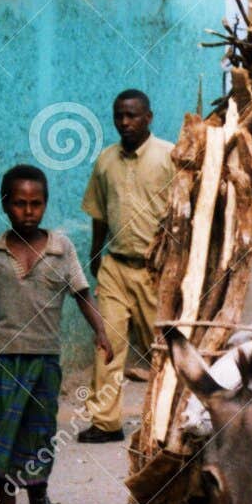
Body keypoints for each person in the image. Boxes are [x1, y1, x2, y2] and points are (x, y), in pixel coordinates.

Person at [0, 165, 113, 504]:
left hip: (45, 363)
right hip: (5, 363)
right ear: (5, 205)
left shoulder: (62, 249)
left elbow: (82, 294)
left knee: (40, 440)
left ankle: (40, 496)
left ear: (45, 204)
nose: (29, 211)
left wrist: (100, 331)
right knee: (4, 443)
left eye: (36, 203)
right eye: (20, 204)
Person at [78, 89, 174, 443]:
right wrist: (94, 252)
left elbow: (184, 213)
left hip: (156, 269)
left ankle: (167, 421)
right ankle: (106, 423)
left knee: (161, 349)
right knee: (108, 343)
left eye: (132, 115)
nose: (124, 122)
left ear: (148, 117)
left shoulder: (170, 156)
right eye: (119, 115)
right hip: (115, 266)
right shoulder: (105, 161)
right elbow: (99, 212)